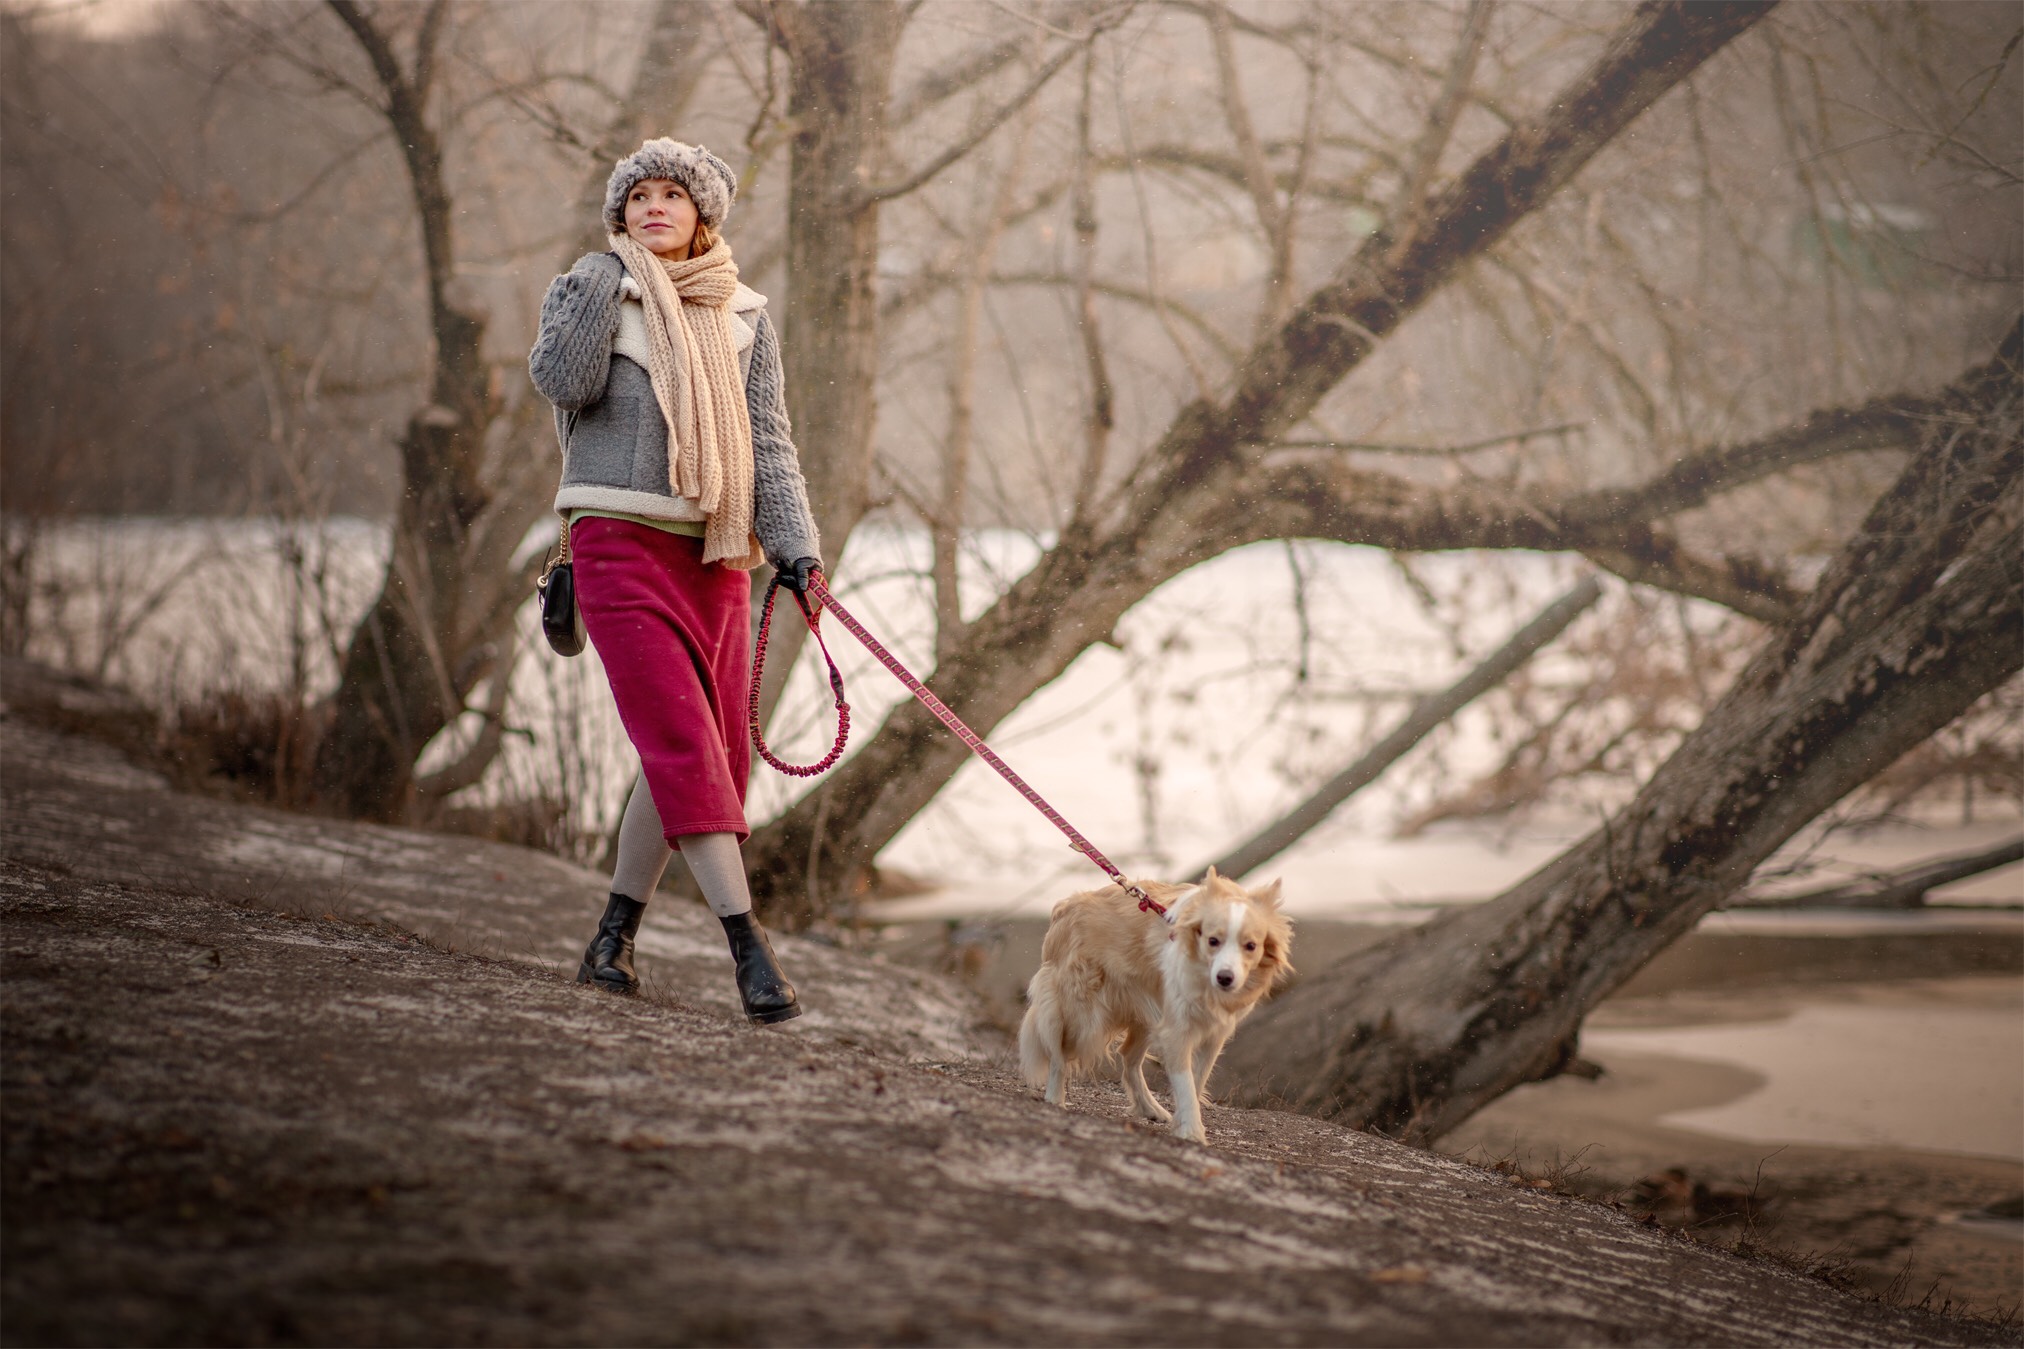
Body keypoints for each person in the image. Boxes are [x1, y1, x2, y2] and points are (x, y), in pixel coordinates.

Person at [527, 138, 818, 1024]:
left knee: (706, 750)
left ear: (703, 216)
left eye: (672, 196)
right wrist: (590, 290)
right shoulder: (594, 291)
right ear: (621, 214)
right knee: (683, 740)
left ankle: (611, 937)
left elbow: (768, 443)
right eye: (638, 197)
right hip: (614, 537)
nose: (654, 208)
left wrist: (797, 547)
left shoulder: (744, 315)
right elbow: (558, 383)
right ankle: (748, 949)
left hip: (715, 552)